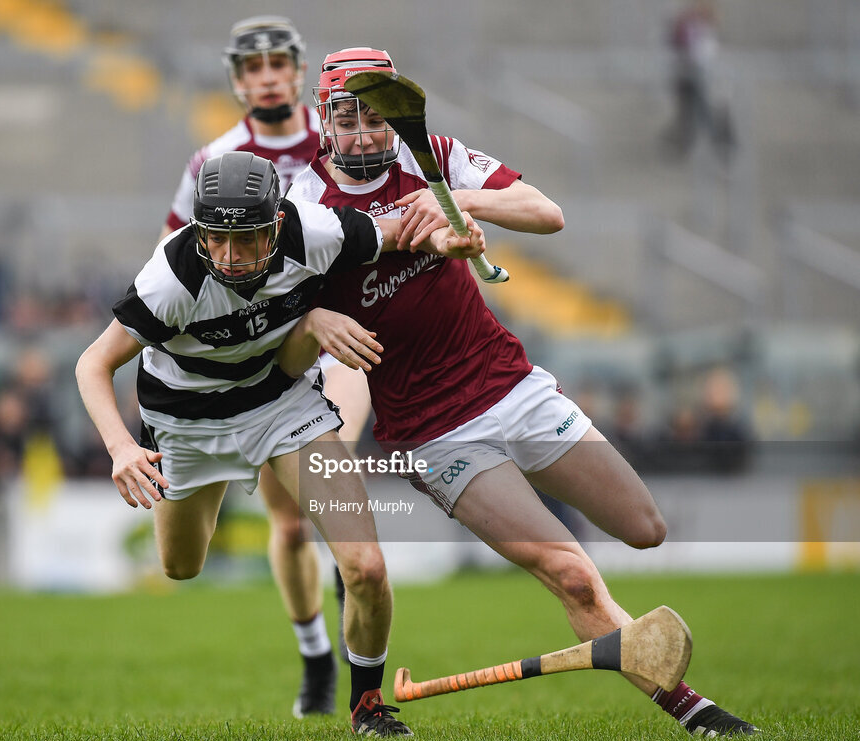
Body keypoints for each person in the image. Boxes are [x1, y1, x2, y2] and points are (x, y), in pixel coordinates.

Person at [280, 48, 758, 737]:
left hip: (512, 386)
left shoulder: (433, 155)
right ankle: (693, 709)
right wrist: (313, 315)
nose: (364, 135)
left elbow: (546, 212)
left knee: (644, 529)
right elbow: (269, 316)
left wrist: (460, 200)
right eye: (347, 119)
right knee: (571, 574)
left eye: (377, 119)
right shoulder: (302, 206)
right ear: (322, 122)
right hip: (433, 432)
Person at [76, 151, 485, 735]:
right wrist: (121, 448)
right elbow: (93, 364)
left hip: (280, 404)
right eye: (217, 239)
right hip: (184, 421)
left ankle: (367, 704)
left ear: (277, 223)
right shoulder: (171, 280)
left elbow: (404, 233)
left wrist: (450, 239)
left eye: (247, 240)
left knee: (365, 567)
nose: (231, 257)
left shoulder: (313, 230)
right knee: (181, 566)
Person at [157, 15, 370, 716]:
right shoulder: (211, 161)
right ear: (237, 81)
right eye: (252, 68)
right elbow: (179, 261)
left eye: (278, 62)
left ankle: (355, 632)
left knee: (334, 472)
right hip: (266, 346)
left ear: (299, 70)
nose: (267, 76)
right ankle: (315, 656)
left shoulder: (342, 136)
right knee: (286, 520)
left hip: (339, 328)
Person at [663, 0, 735, 159]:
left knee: (711, 111)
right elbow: (680, 49)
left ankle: (720, 144)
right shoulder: (686, 26)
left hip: (708, 77)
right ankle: (686, 145)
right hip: (690, 76)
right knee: (692, 113)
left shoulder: (706, 28)